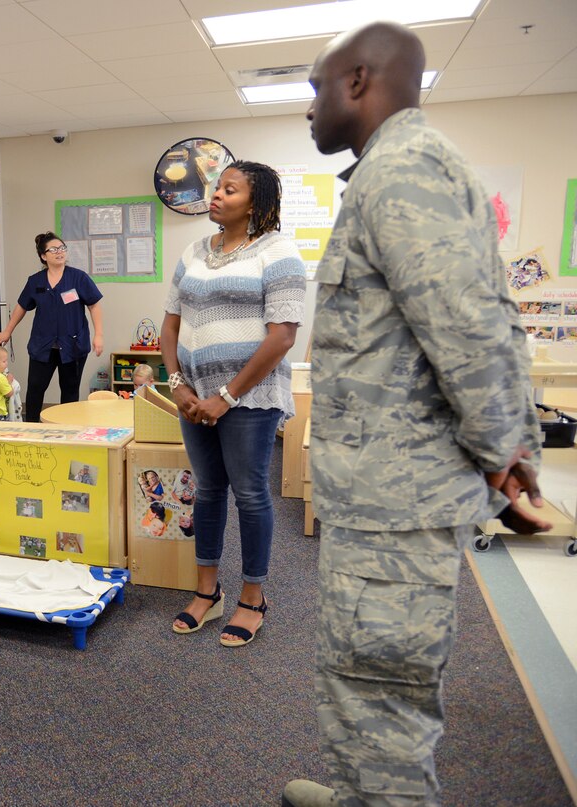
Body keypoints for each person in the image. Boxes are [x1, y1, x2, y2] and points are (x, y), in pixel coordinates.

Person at [281, 22, 550, 807]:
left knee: (381, 696)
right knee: (360, 679)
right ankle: (361, 794)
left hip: (395, 507)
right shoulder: (390, 171)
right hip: (382, 497)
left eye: (316, 87)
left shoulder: (403, 171)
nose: (309, 107)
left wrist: (510, 459)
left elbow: (469, 330)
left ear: (360, 80)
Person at [160, 160, 307, 648]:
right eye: (216, 187)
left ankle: (252, 598)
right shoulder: (194, 251)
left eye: (230, 189)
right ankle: (207, 591)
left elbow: (282, 336)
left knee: (249, 494)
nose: (216, 195)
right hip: (194, 396)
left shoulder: (279, 252)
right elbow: (170, 324)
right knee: (206, 491)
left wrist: (225, 397)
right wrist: (179, 386)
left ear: (257, 201)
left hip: (249, 397)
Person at [0, 232, 104, 422]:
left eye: (62, 248)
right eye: (53, 249)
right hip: (43, 345)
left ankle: (67, 430)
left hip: (73, 345)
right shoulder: (35, 281)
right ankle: (32, 429)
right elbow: (22, 306)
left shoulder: (78, 278)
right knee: (35, 389)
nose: (59, 252)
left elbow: (94, 305)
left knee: (69, 391)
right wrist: (8, 331)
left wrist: (98, 334)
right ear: (43, 256)